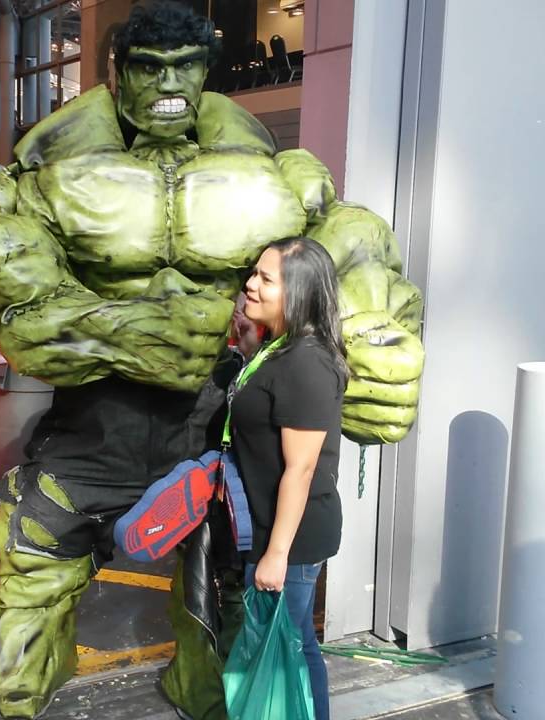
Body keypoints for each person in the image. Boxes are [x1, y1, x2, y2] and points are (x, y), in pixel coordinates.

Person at [0, 3, 425, 718]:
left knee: (229, 600)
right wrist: (112, 328)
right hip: (102, 418)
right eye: (148, 67)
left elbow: (346, 248)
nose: (169, 84)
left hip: (220, 419)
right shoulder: (50, 173)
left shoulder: (274, 175)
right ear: (115, 71)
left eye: (186, 66)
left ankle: (213, 686)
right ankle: (10, 685)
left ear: (206, 69)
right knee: (36, 554)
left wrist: (366, 339)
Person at [232, 237, 347, 720]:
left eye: (265, 278)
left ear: (298, 292)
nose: (250, 284)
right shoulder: (278, 348)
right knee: (295, 645)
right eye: (253, 274)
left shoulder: (306, 363)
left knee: (290, 648)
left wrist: (276, 555)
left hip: (293, 539)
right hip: (273, 528)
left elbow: (300, 468)